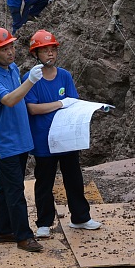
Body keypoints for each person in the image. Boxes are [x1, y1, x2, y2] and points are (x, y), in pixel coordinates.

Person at [23, 29, 101, 237]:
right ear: (35, 54)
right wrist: (59, 103)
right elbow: (32, 108)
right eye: (44, 50)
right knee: (44, 181)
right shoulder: (31, 79)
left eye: (53, 50)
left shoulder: (65, 76)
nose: (50, 54)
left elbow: (73, 103)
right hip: (42, 139)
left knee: (74, 177)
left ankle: (81, 217)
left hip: (65, 138)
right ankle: (44, 223)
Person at [0, 26, 44, 252]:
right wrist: (31, 82)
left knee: (4, 188)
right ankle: (23, 236)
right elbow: (8, 100)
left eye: (11, 47)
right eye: (4, 49)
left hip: (21, 138)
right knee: (15, 190)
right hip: (6, 142)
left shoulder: (12, 68)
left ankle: (2, 230)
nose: (10, 52)